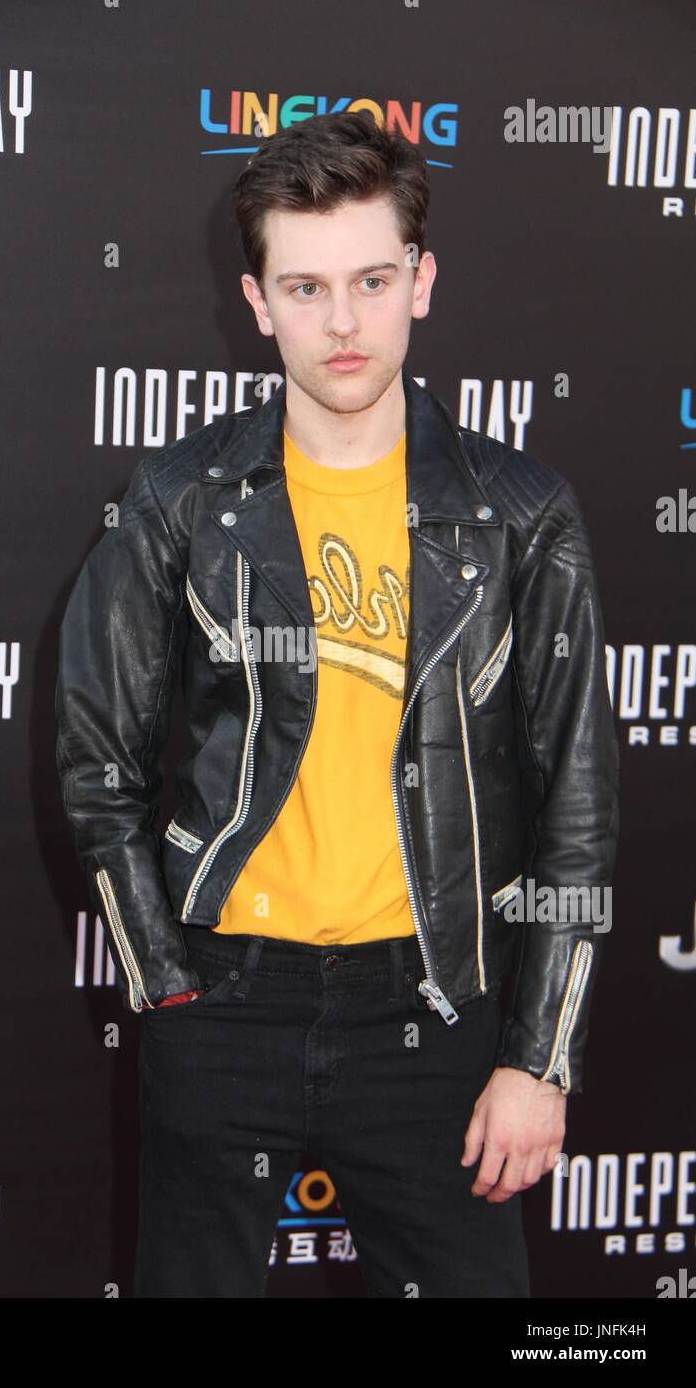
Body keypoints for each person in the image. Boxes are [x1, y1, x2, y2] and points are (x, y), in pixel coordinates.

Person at [55, 110, 620, 1298]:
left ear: (421, 279)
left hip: (430, 1005)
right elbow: (95, 761)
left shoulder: (519, 513)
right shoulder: (179, 499)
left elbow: (574, 804)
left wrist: (542, 1060)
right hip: (226, 1000)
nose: (343, 322)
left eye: (370, 279)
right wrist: (163, 976)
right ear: (256, 302)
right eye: (304, 287)